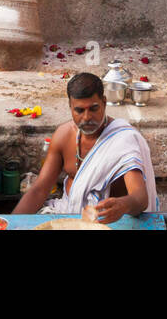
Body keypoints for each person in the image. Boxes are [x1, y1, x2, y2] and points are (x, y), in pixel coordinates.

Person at [12, 72, 157, 224]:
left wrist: (123, 205)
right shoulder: (63, 136)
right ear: (70, 107)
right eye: (79, 110)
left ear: (104, 102)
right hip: (68, 215)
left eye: (94, 108)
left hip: (112, 222)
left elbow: (140, 198)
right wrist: (11, 224)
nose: (87, 117)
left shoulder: (123, 140)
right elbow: (39, 190)